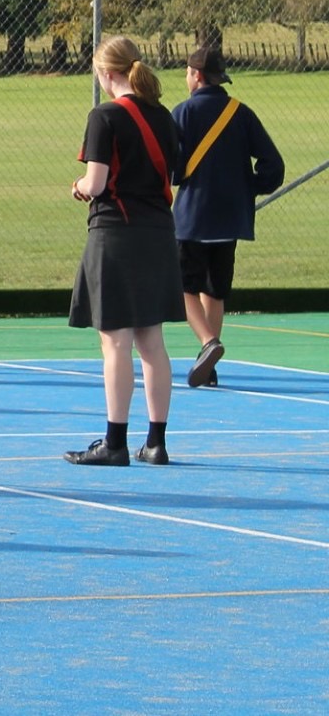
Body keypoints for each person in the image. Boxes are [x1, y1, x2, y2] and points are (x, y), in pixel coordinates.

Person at [66, 35, 184, 466]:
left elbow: (96, 183)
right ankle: (156, 441)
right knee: (152, 340)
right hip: (158, 231)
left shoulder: (105, 116)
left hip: (116, 232)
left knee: (114, 341)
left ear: (107, 73)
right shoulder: (165, 117)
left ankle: (114, 442)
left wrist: (78, 188)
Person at [172, 45, 283, 389]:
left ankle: (208, 343)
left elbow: (173, 168)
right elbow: (273, 167)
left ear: (197, 76)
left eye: (189, 72)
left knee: (180, 287)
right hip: (231, 219)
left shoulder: (183, 113)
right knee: (214, 290)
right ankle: (210, 368)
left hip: (192, 216)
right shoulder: (241, 112)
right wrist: (247, 188)